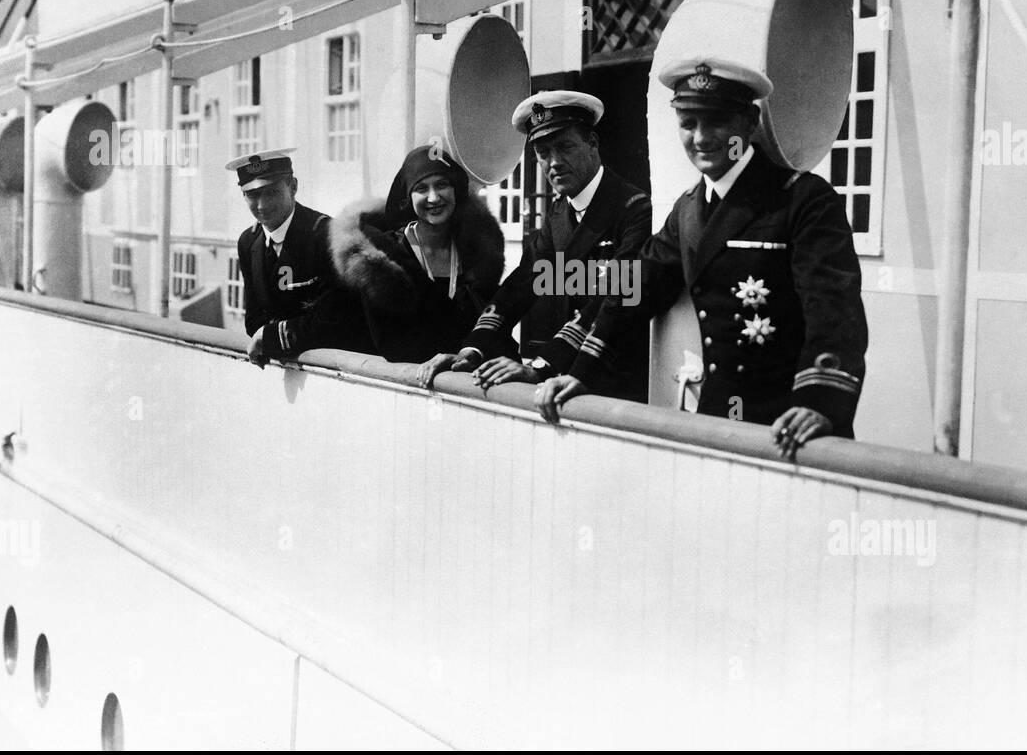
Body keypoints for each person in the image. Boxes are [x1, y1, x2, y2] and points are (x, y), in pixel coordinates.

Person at [536, 57, 869, 461]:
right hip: (717, 422)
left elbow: (835, 312)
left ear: (749, 123)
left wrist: (820, 403)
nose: (701, 137)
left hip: (792, 427)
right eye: (688, 123)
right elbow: (632, 290)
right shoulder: (689, 210)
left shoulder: (803, 200)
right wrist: (578, 372)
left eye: (717, 122)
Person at [418, 91, 653, 399]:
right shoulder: (559, 215)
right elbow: (520, 286)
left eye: (565, 147)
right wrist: (472, 349)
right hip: (560, 384)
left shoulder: (634, 210)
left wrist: (541, 367)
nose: (554, 162)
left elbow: (613, 299)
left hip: (609, 384)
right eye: (543, 152)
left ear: (592, 144)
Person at [329, 145, 507, 364]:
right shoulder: (385, 258)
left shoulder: (474, 255)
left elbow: (494, 331)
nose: (433, 198)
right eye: (422, 188)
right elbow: (393, 345)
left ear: (455, 191)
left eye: (442, 185)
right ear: (408, 198)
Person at [229, 148, 356, 368]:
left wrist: (271, 337)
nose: (262, 205)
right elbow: (253, 319)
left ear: (293, 187)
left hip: (332, 369)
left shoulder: (326, 235)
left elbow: (335, 322)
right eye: (253, 195)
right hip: (284, 368)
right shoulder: (248, 242)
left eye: (272, 192)